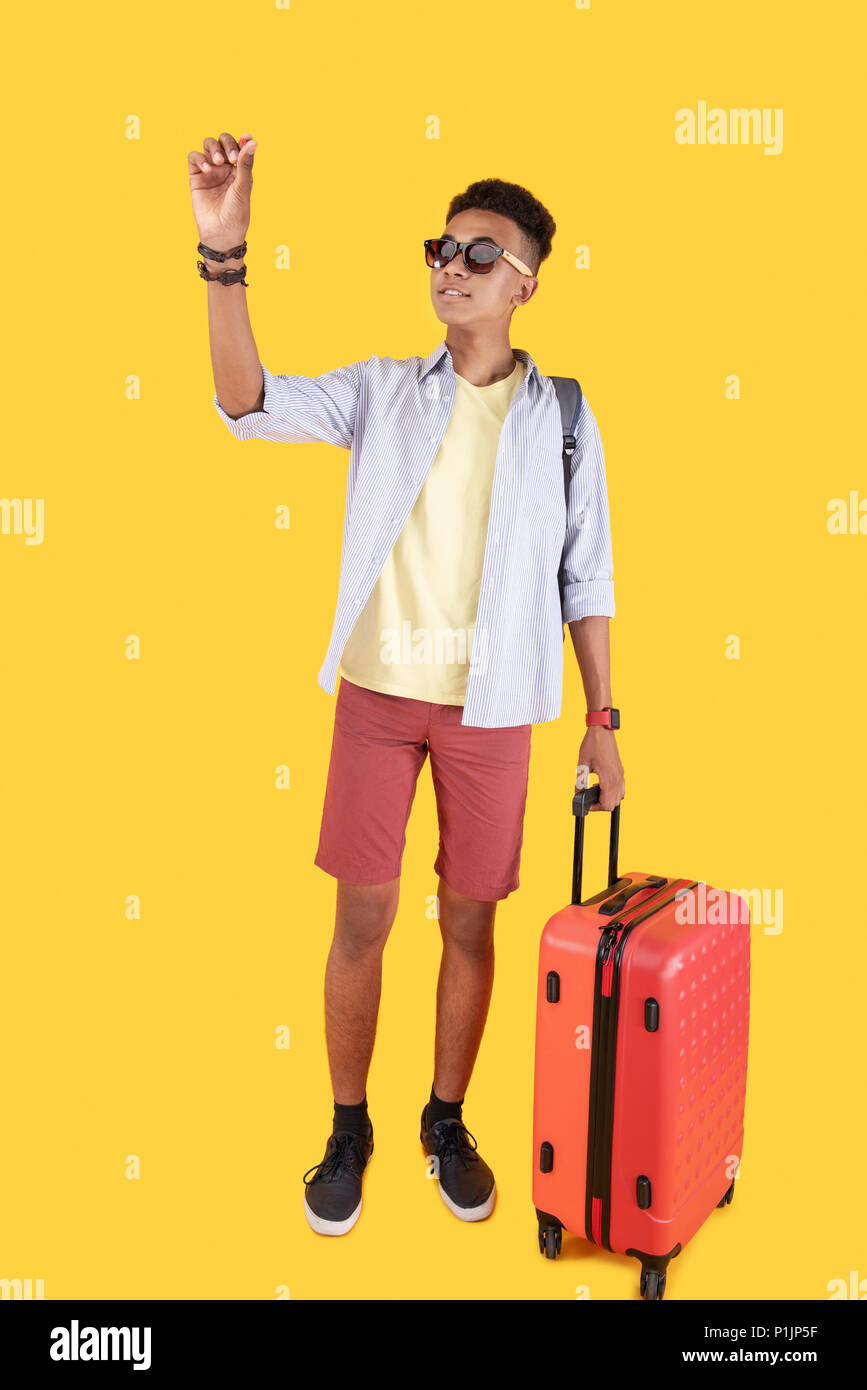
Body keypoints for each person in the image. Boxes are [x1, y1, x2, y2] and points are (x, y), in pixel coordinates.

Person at [188, 131, 625, 1237]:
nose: (452, 265)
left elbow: (589, 574)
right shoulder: (384, 391)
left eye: (481, 253)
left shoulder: (564, 419)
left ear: (525, 284)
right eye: (442, 246)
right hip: (381, 699)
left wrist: (604, 720)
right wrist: (224, 255)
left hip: (497, 706)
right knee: (363, 919)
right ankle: (347, 1126)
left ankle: (444, 1117)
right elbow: (246, 400)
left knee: (472, 922)